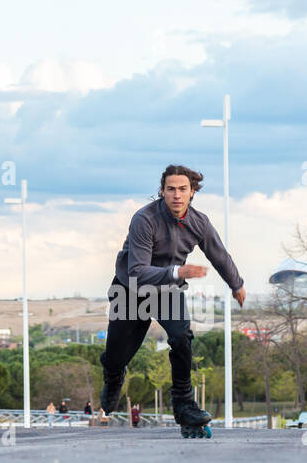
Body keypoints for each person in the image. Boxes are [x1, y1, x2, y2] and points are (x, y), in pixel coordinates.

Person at [99, 164, 246, 428]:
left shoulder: (199, 222)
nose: (176, 195)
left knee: (181, 337)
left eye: (182, 189)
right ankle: (113, 375)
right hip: (131, 289)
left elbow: (218, 254)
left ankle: (184, 404)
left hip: (167, 290)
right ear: (162, 192)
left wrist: (236, 284)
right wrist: (179, 271)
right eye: (170, 189)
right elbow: (138, 272)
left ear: (192, 193)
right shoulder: (145, 219)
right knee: (117, 355)